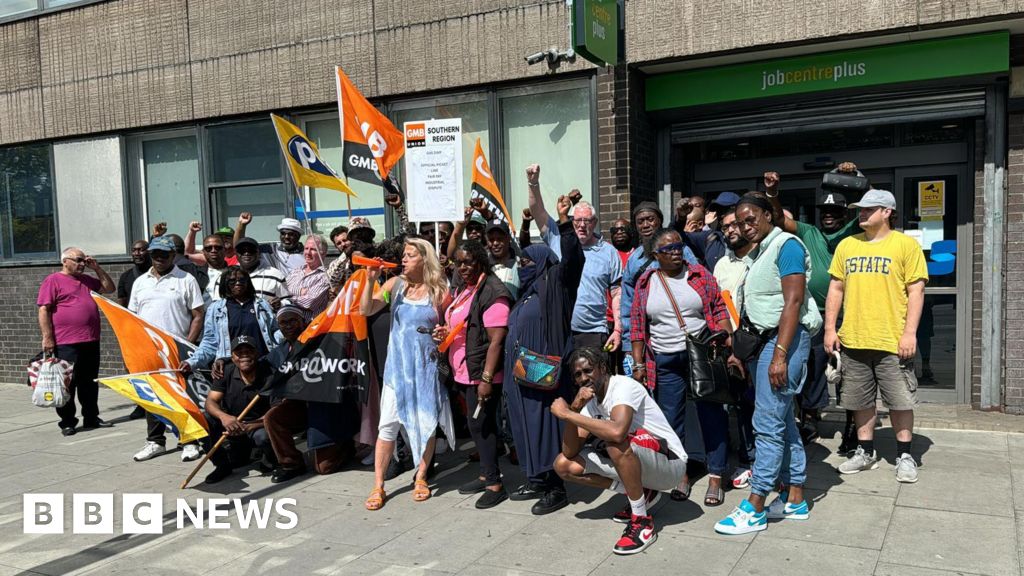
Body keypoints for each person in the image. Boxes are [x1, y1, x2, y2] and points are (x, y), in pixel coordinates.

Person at [714, 194, 821, 535]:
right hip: (766, 342)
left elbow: (793, 301)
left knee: (767, 425)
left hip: (783, 342)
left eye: (751, 219)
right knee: (784, 422)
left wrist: (780, 354)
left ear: (769, 215)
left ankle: (755, 505)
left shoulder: (785, 245)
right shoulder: (759, 253)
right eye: (741, 222)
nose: (746, 227)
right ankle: (795, 499)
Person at [825, 189, 928, 483]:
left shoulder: (905, 246)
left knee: (900, 400)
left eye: (869, 209)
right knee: (860, 401)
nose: (862, 213)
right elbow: (836, 288)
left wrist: (910, 333)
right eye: (861, 209)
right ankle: (865, 451)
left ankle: (905, 455)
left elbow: (916, 291)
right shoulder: (847, 246)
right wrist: (831, 328)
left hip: (892, 341)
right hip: (853, 339)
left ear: (887, 212)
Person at [552, 348, 687, 556]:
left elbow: (617, 432)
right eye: (578, 375)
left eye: (588, 370)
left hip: (671, 465)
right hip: (643, 462)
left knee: (615, 443)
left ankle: (642, 522)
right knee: (563, 465)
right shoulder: (589, 401)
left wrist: (568, 414)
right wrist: (575, 409)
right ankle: (643, 495)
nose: (583, 378)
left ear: (603, 368)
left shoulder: (623, 386)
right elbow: (569, 451)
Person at [630, 228, 731, 506]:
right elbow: (637, 326)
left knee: (712, 415)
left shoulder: (699, 275)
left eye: (678, 246)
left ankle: (715, 475)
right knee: (670, 422)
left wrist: (725, 339)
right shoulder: (645, 282)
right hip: (664, 360)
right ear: (655, 255)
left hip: (701, 354)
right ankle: (680, 474)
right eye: (668, 249)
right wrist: (638, 364)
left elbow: (720, 309)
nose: (676, 252)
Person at [767, 166, 864, 448]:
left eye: (835, 212)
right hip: (814, 316)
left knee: (849, 373)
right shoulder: (808, 231)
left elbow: (871, 199)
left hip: (850, 314)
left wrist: (855, 174)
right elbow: (776, 219)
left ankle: (852, 427)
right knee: (809, 367)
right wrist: (772, 193)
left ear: (846, 215)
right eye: (825, 211)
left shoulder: (854, 230)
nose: (829, 215)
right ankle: (809, 419)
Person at [360, 238, 455, 510]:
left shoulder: (439, 290)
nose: (404, 259)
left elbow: (451, 323)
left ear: (425, 259)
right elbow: (366, 310)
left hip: (425, 367)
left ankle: (421, 477)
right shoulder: (394, 285)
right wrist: (370, 281)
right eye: (404, 255)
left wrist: (444, 332)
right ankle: (378, 484)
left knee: (426, 423)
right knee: (387, 426)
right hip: (397, 369)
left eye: (410, 255)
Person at [504, 195, 585, 515]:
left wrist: (564, 222)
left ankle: (556, 486)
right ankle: (536, 477)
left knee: (546, 430)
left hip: (544, 377)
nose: (522, 267)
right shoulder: (526, 294)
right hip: (522, 380)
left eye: (527, 263)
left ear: (541, 266)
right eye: (520, 263)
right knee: (526, 430)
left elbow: (573, 262)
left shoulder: (555, 289)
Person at [438, 239, 511, 509]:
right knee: (475, 425)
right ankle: (485, 473)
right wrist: (445, 332)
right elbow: (463, 325)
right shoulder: (467, 289)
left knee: (483, 426)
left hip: (482, 374)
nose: (462, 267)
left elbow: (497, 341)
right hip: (463, 370)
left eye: (468, 261)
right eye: (459, 262)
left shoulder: (493, 291)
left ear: (481, 261)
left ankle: (494, 483)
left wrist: (487, 380)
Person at [129, 236, 206, 463]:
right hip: (148, 350)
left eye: (164, 254)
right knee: (152, 396)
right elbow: (132, 317)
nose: (159, 259)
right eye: (155, 255)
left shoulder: (186, 279)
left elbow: (198, 315)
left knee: (181, 396)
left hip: (176, 348)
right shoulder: (140, 282)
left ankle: (189, 441)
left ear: (173, 255)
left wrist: (186, 345)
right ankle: (156, 441)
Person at [261, 304, 347, 483]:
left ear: (303, 322)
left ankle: (345, 445)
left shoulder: (320, 342)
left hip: (323, 404)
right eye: (283, 323)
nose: (288, 326)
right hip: (298, 404)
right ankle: (291, 463)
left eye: (293, 320)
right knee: (272, 417)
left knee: (324, 469)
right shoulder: (279, 353)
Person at [37, 247, 116, 435]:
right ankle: (67, 422)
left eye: (83, 260)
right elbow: (44, 310)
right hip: (66, 342)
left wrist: (97, 268)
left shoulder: (87, 280)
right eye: (78, 260)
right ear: (65, 261)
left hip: (90, 340)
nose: (82, 264)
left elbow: (109, 288)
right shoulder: (53, 280)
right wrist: (47, 337)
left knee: (89, 382)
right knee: (68, 384)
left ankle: (91, 417)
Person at [712, 206, 758, 490]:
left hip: (757, 343)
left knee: (759, 405)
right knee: (740, 404)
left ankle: (758, 461)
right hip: (731, 345)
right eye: (725, 226)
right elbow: (717, 306)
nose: (730, 230)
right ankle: (747, 458)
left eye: (734, 225)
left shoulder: (759, 259)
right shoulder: (721, 265)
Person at [620, 202, 699, 367]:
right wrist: (629, 346)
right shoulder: (634, 260)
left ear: (660, 221)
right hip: (653, 340)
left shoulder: (682, 251)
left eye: (650, 219)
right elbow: (628, 306)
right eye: (640, 221)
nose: (646, 225)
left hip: (688, 337)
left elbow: (702, 285)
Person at [201, 336, 275, 484]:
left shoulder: (270, 374)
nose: (244, 356)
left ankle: (270, 459)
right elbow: (211, 401)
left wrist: (251, 426)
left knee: (264, 437)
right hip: (233, 425)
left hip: (258, 424)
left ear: (257, 353)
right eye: (239, 353)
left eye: (249, 351)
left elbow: (277, 410)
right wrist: (224, 417)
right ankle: (222, 465)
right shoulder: (225, 372)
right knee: (203, 420)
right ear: (232, 357)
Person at [179, 267, 279, 374]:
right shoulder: (215, 309)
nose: (238, 283)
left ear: (248, 282)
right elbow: (209, 343)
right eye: (232, 281)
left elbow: (276, 333)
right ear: (224, 284)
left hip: (263, 365)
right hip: (229, 368)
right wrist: (192, 362)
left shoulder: (262, 305)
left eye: (242, 280)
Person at [233, 213, 305, 276]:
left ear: (298, 236)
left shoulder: (307, 254)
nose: (286, 237)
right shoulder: (269, 249)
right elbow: (239, 246)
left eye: (291, 234)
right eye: (283, 233)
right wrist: (242, 225)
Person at [233, 236, 289, 307]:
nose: (246, 253)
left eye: (251, 250)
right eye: (242, 250)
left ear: (259, 253)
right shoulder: (229, 275)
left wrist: (281, 303)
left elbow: (289, 301)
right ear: (236, 254)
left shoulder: (275, 275)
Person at [286, 235, 331, 320]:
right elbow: (283, 290)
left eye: (313, 249)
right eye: (306, 248)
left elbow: (308, 303)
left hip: (309, 327)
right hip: (288, 326)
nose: (308, 253)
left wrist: (286, 300)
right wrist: (300, 291)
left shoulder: (325, 276)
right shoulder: (296, 271)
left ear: (323, 254)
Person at [485, 222, 519, 299]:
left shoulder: (520, 265)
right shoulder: (483, 268)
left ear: (508, 239)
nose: (495, 243)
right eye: (491, 240)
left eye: (500, 239)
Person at [196, 228, 229, 304]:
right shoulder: (196, 273)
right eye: (208, 248)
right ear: (203, 251)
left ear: (224, 250)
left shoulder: (233, 273)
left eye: (218, 247)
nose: (213, 250)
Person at [117, 240, 151, 308]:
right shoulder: (125, 277)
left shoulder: (159, 274)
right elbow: (122, 303)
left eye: (141, 250)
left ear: (150, 252)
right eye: (134, 250)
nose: (137, 253)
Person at [326, 225, 350, 290]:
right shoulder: (334, 264)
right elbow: (330, 282)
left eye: (345, 240)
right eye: (339, 243)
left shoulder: (362, 256)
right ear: (336, 246)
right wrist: (345, 255)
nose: (343, 244)